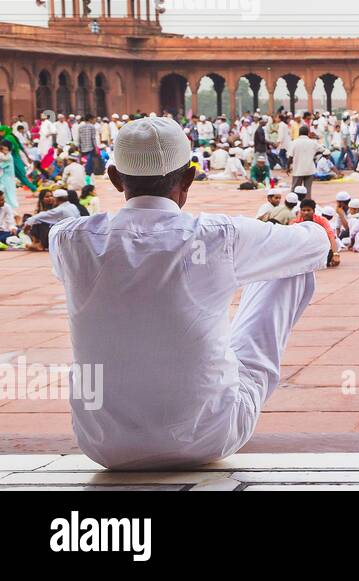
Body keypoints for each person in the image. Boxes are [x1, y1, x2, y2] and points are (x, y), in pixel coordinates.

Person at [47, 116, 331, 470]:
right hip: (209, 436)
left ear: (116, 178)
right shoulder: (216, 234)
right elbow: (317, 246)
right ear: (189, 177)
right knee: (292, 264)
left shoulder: (68, 238)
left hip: (104, 444)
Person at [294, 198, 341, 267]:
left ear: (314, 211)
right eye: (303, 210)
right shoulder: (295, 222)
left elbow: (331, 236)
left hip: (319, 249)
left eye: (308, 210)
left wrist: (335, 254)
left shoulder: (322, 220)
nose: (306, 213)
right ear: (300, 211)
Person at [288, 126, 320, 198]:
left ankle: (292, 203)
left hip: (298, 170)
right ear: (308, 133)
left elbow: (290, 157)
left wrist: (287, 167)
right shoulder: (312, 142)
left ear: (299, 133)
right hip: (310, 170)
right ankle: (307, 205)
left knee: (295, 190)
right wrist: (314, 154)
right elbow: (324, 150)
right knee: (307, 190)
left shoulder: (294, 142)